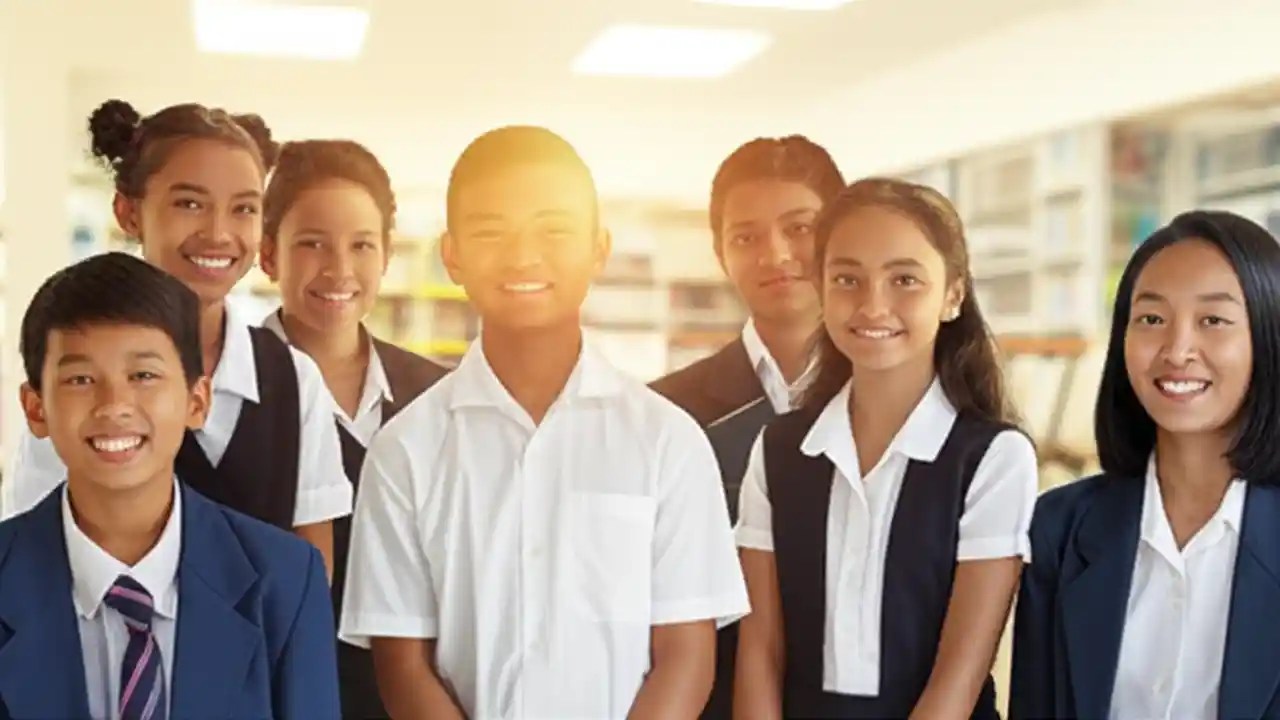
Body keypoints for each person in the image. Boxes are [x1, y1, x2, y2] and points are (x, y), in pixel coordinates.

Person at [338, 125, 749, 719]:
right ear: (451, 255)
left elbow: (686, 654)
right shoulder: (405, 448)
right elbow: (402, 663)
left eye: (553, 229)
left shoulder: (668, 441)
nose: (523, 255)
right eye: (490, 231)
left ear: (598, 248)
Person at [0, 100, 350, 574]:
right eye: (189, 204)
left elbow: (313, 568)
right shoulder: (77, 376)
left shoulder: (292, 379)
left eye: (244, 208)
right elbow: (32, 553)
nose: (219, 233)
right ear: (129, 212)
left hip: (260, 649)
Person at [734, 178, 1038, 718]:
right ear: (821, 289)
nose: (873, 305)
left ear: (953, 295)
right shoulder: (780, 450)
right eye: (848, 279)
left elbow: (958, 678)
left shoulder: (992, 459)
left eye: (905, 280)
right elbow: (759, 652)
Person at [0, 252, 339, 720]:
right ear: (36, 409)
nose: (114, 405)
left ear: (196, 401)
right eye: (80, 378)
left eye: (143, 376)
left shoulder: (284, 581)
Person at [1010, 210, 1280, 719]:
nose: (1177, 350)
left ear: (1267, 337)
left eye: (1213, 320)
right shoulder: (1058, 530)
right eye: (1151, 319)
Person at [650, 135, 843, 720]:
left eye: (800, 227)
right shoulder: (668, 415)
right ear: (720, 253)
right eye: (745, 237)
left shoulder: (898, 402)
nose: (775, 254)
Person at [259, 138, 449, 719]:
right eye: (312, 244)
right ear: (269, 255)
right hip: (277, 692)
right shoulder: (224, 394)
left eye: (361, 245)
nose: (339, 269)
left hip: (425, 694)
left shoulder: (439, 397)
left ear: (387, 256)